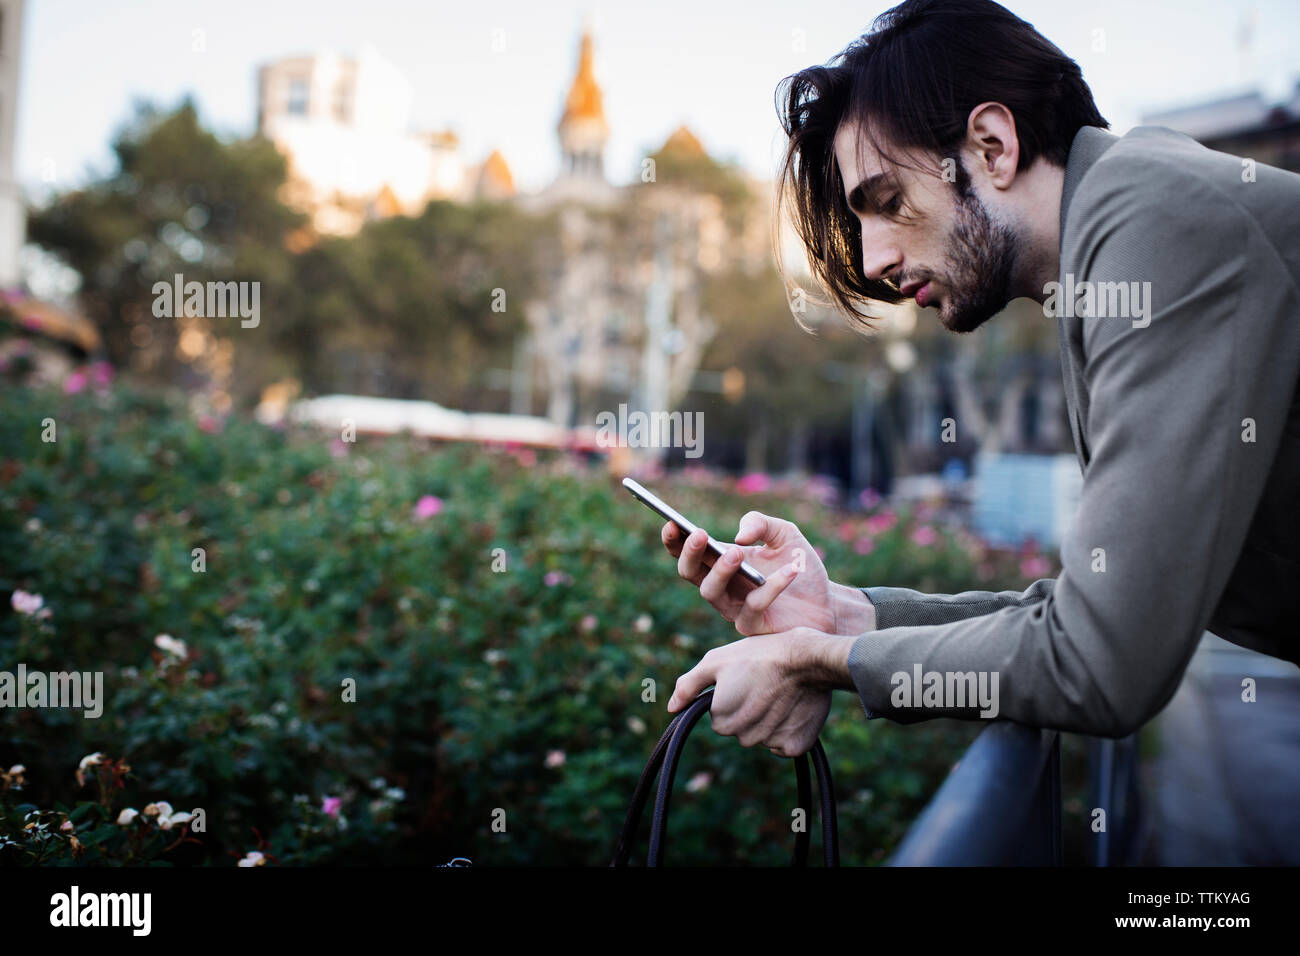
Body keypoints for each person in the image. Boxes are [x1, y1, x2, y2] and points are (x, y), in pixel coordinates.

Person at [661, 0, 1300, 775]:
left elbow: (1100, 662)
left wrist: (820, 661)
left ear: (992, 145)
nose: (872, 263)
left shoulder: (1154, 220)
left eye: (886, 203)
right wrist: (844, 618)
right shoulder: (1112, 242)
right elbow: (1093, 611)